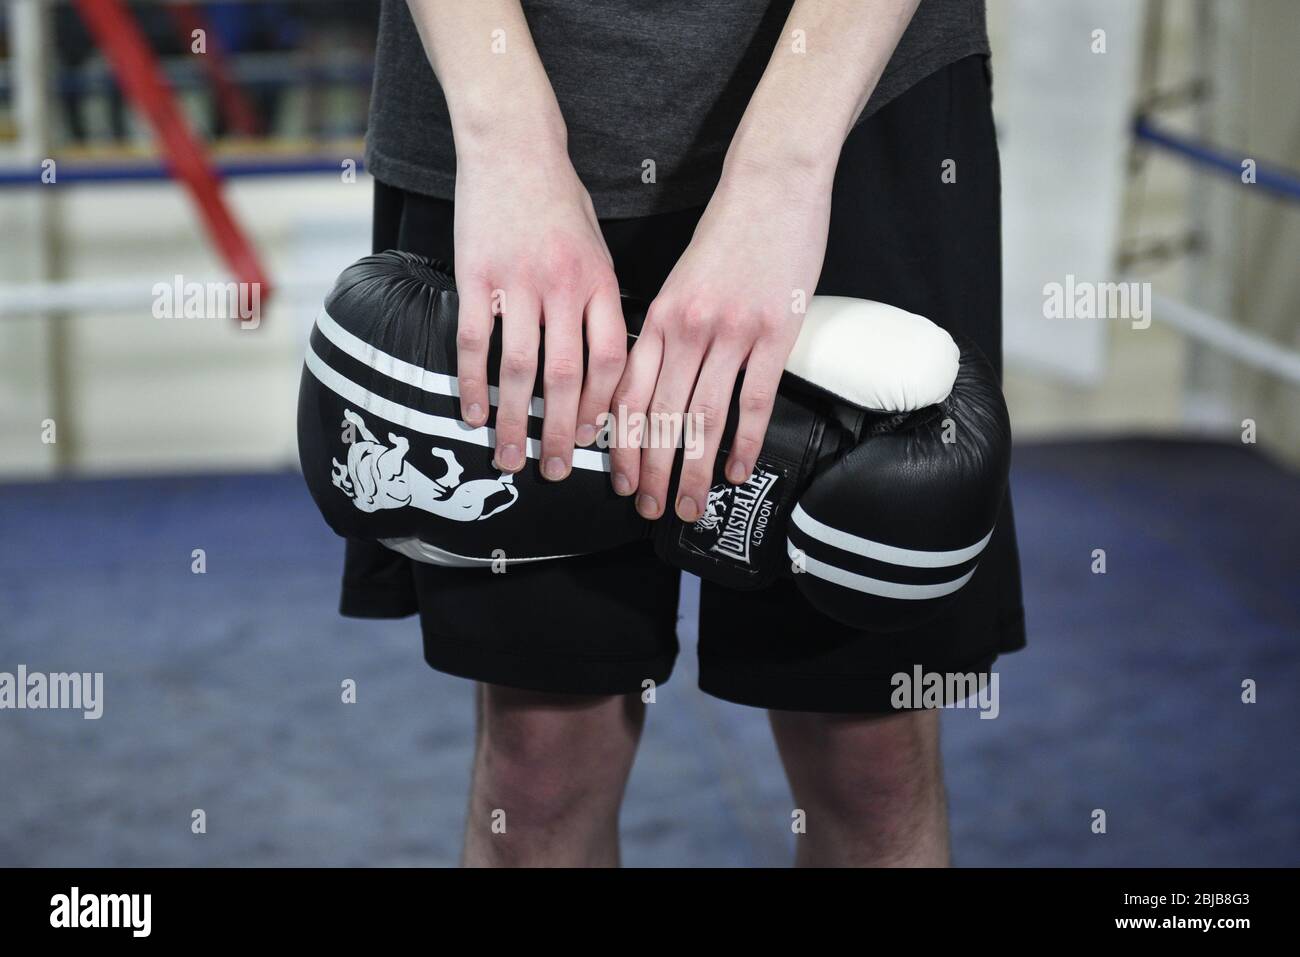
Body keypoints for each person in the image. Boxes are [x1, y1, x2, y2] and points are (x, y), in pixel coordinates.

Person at [350, 0, 1025, 866]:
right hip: (509, 81)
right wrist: (506, 143)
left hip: (861, 85)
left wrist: (782, 174)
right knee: (541, 763)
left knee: (870, 760)